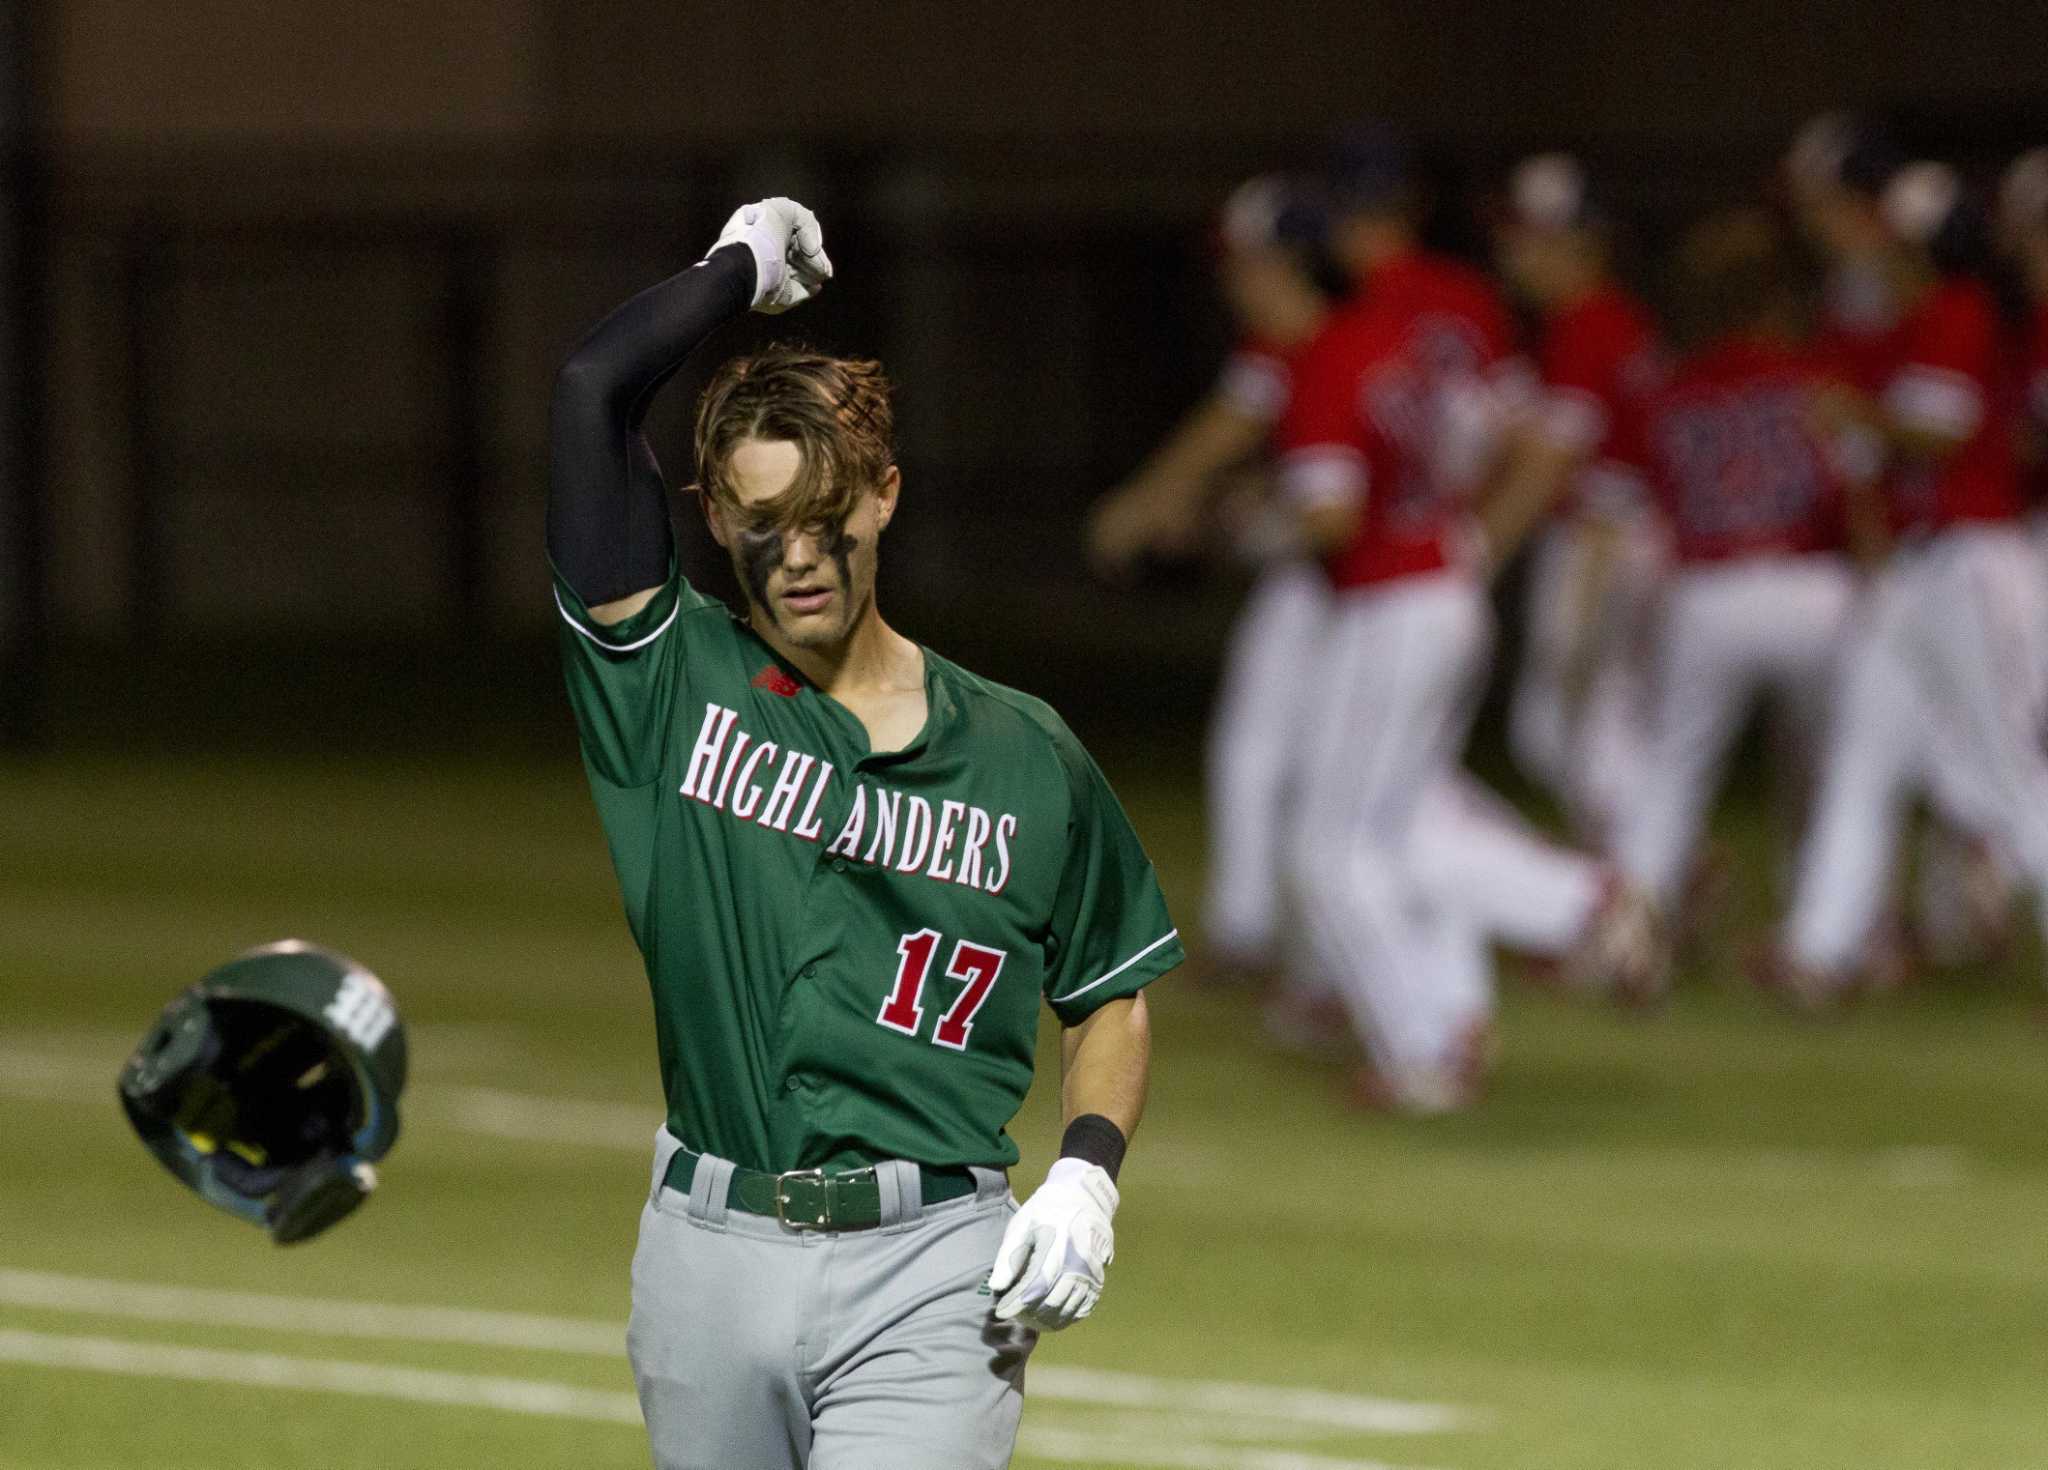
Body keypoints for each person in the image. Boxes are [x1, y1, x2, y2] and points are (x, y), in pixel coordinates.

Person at [546, 198, 1180, 1469]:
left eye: (826, 514)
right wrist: (737, 268)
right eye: (757, 525)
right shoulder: (667, 680)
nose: (795, 557)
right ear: (714, 525)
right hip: (705, 1256)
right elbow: (588, 388)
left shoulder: (1023, 751)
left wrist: (1087, 1175)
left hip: (934, 1267)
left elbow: (1109, 992)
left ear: (885, 496)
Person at [1274, 131, 1662, 1113]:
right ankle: (1550, 929)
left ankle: (1422, 1052)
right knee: (1406, 821)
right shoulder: (1416, 340)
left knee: (1331, 850)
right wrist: (1469, 547)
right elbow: (1501, 439)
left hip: (1390, 601)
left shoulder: (1336, 349)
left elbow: (1328, 515)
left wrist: (1248, 528)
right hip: (1444, 580)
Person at [1777, 165, 2048, 1005]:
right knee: (1863, 753)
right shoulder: (1921, 318)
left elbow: (1941, 431)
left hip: (1974, 559)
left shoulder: (1958, 312)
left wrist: (1857, 413)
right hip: (1921, 565)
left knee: (2005, 773)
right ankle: (1821, 950)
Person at [1087, 175, 1343, 986]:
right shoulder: (1310, 345)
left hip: (1365, 584)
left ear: (1285, 264)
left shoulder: (1330, 348)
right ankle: (1263, 933)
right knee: (1275, 749)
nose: (1233, 281)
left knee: (1319, 768)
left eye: (1247, 263)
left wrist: (1158, 501)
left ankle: (1574, 905)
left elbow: (1314, 485)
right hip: (1350, 578)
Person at [1612, 210, 1855, 920]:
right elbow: (1850, 493)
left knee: (1670, 775)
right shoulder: (1815, 378)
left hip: (1709, 589)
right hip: (1813, 585)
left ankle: (1631, 924)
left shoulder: (1674, 388)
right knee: (1831, 773)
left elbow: (1642, 505)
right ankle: (1828, 931)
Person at [1489, 153, 1668, 846]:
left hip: (1602, 537)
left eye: (1529, 235)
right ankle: (1652, 873)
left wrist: (1482, 549)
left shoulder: (1586, 325)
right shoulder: (1617, 321)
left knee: (1557, 725)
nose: (1513, 251)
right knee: (1600, 722)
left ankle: (1645, 876)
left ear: (1579, 241)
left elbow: (1554, 463)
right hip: (1636, 534)